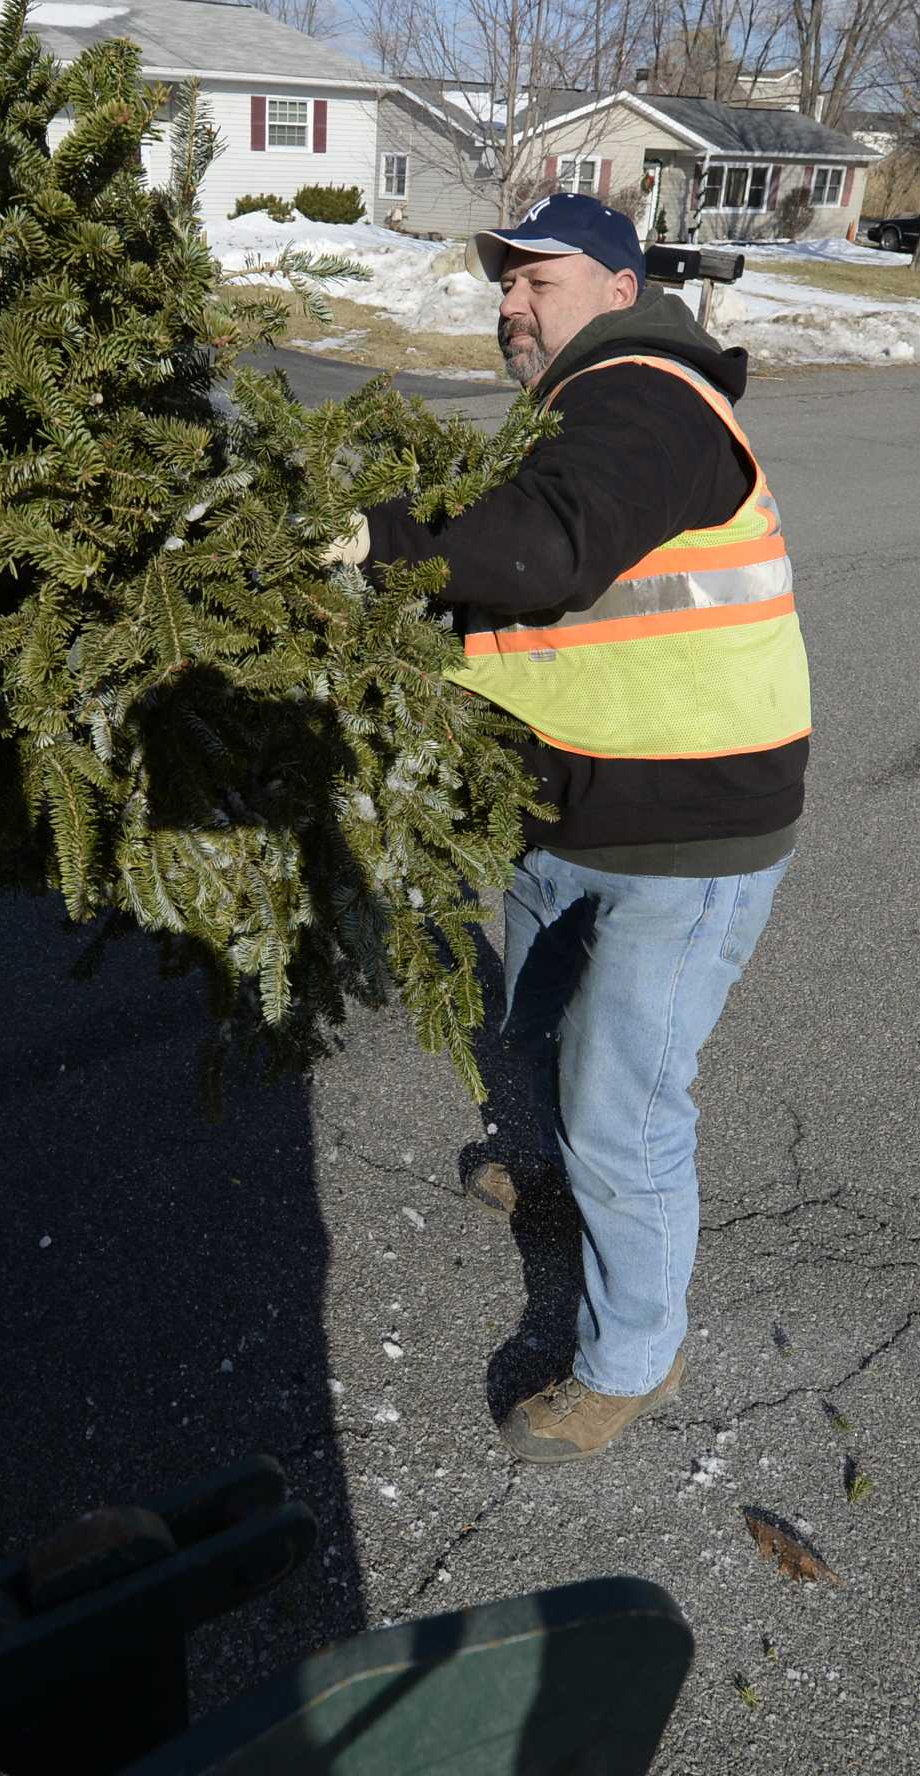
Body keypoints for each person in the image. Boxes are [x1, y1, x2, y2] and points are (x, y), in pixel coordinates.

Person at [328, 193, 811, 1464]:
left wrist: (379, 540)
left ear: (614, 283)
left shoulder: (650, 396)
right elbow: (536, 606)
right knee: (529, 1029)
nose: (508, 304)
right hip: (578, 802)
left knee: (627, 1105)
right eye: (502, 284)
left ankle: (631, 1357)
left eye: (533, 280)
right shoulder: (575, 410)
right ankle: (546, 1175)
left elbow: (546, 551)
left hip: (691, 830)